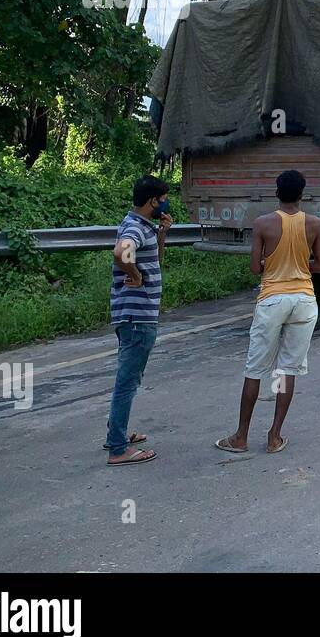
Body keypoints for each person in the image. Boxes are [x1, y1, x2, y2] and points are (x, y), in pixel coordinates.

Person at [216, 170, 320, 455]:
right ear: (302, 195)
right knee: (286, 369)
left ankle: (240, 437)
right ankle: (274, 436)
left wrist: (271, 264)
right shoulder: (314, 224)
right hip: (303, 300)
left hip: (272, 300)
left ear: (276, 193)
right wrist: (301, 267)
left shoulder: (263, 223)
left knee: (255, 369)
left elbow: (255, 268)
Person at [106, 175, 173, 466]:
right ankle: (118, 449)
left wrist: (161, 235)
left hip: (136, 314)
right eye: (162, 199)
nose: (166, 203)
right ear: (151, 201)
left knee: (130, 379)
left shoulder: (141, 226)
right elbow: (122, 253)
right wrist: (134, 275)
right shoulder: (134, 227)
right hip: (137, 316)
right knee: (127, 381)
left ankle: (117, 434)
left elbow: (151, 260)